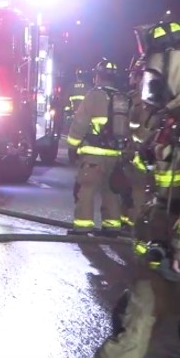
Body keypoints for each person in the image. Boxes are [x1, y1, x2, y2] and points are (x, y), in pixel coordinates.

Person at [42, 19, 180, 358]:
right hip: (163, 242)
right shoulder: (176, 114)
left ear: (175, 64)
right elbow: (156, 173)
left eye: (153, 70)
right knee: (133, 317)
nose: (149, 80)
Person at [65, 58, 132, 236]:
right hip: (116, 154)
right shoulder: (122, 98)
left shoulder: (94, 95)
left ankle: (83, 227)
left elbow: (79, 123)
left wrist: (72, 146)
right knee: (111, 191)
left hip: (93, 155)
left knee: (86, 189)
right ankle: (112, 227)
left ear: (98, 76)